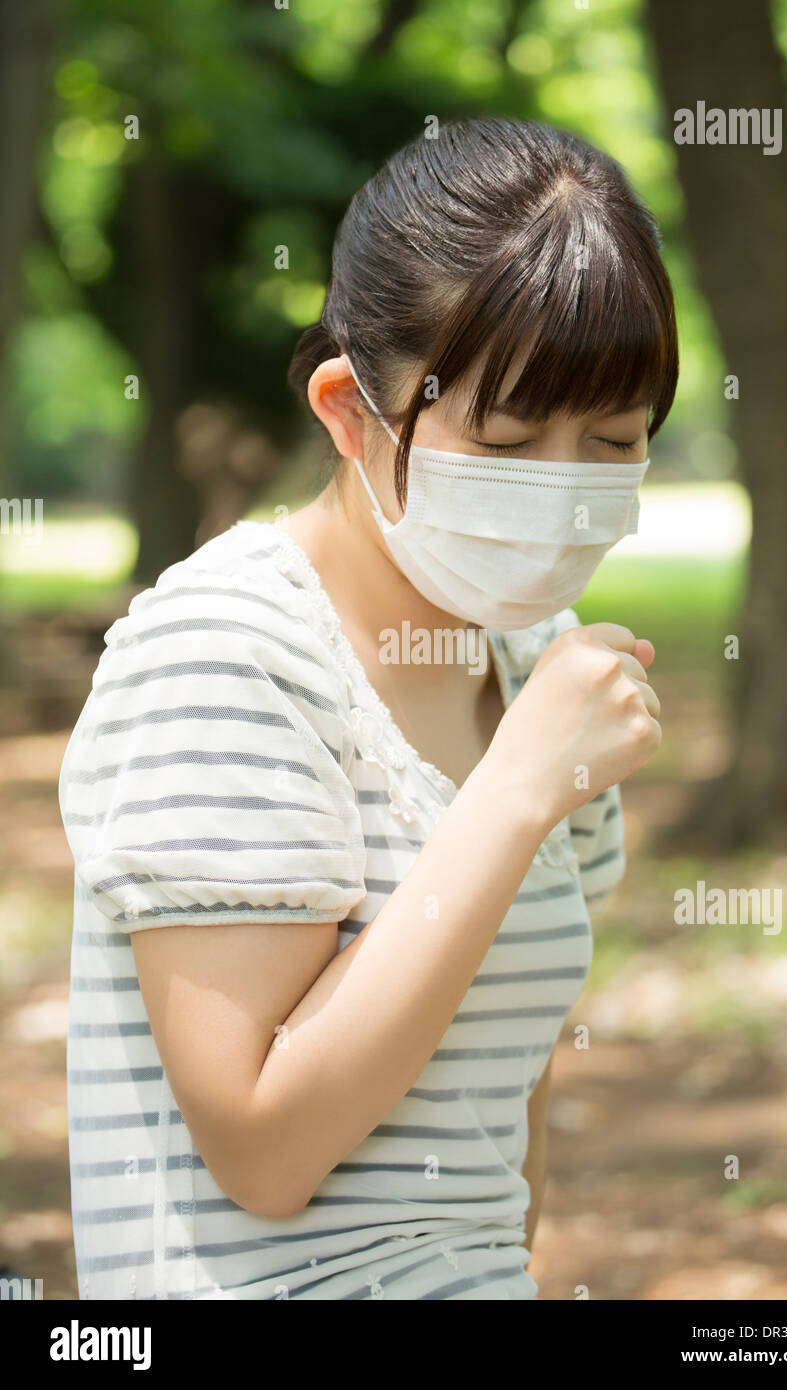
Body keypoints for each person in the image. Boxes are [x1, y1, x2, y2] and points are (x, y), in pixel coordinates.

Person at [59, 115, 675, 1300]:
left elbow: (507, 1112)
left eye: (612, 441)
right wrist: (513, 792)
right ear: (350, 413)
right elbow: (264, 1149)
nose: (560, 493)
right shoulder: (229, 651)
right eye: (501, 440)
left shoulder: (540, 668)